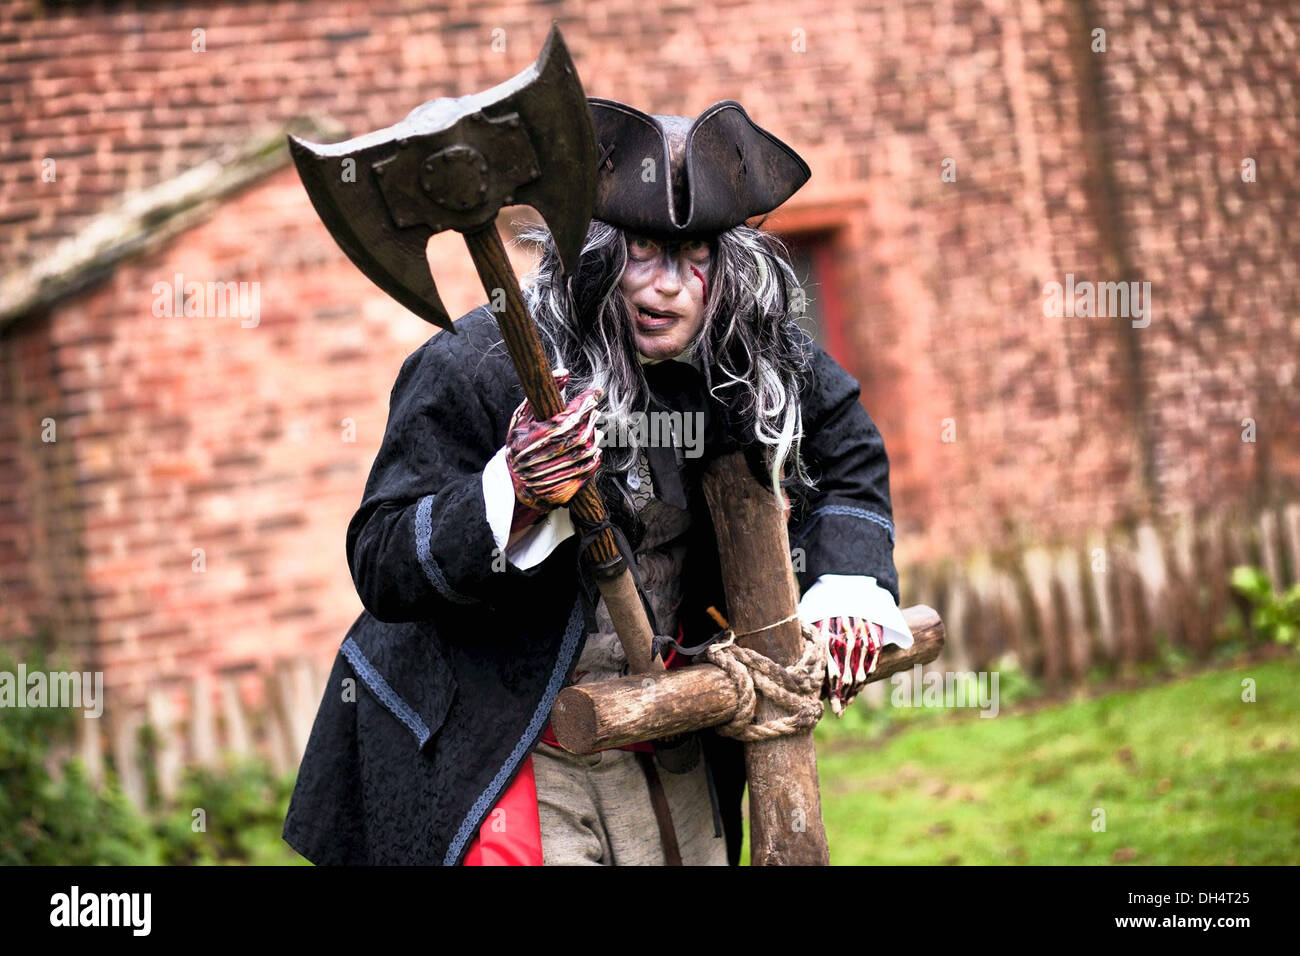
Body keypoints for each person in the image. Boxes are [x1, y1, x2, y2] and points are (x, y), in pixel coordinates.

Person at [282, 97, 913, 866]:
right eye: (645, 251)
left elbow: (850, 455)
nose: (669, 288)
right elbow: (382, 560)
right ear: (599, 252)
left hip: (669, 717)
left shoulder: (754, 355)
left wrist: (847, 584)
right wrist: (511, 492)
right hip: (501, 735)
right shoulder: (477, 363)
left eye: (697, 259)